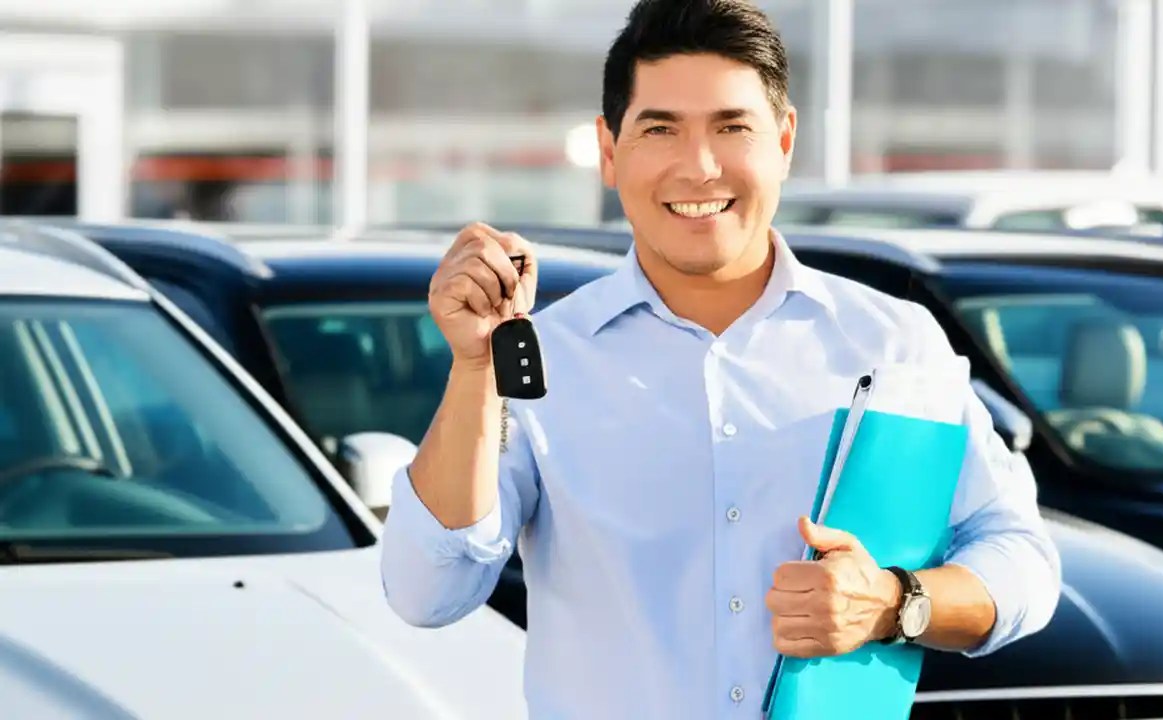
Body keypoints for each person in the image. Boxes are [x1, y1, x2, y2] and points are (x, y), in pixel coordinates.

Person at [380, 0, 1062, 717]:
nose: (700, 167)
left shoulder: (894, 343)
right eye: (660, 129)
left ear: (785, 138)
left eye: (732, 127)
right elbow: (427, 592)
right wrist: (474, 371)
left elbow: (1022, 559)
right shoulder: (546, 359)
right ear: (610, 151)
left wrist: (895, 602)